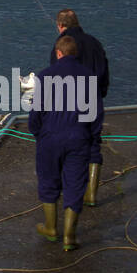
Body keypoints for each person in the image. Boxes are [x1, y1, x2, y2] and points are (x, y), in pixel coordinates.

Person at [29, 34, 104, 251]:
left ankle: (51, 228)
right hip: (78, 137)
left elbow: (37, 112)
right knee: (74, 184)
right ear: (76, 54)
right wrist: (92, 136)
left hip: (50, 137)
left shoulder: (44, 76)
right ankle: (70, 236)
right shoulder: (89, 77)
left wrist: (37, 132)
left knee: (48, 180)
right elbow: (96, 113)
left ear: (58, 53)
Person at [48, 8, 109, 207]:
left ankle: (70, 190)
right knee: (93, 143)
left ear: (60, 25)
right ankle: (91, 194)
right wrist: (100, 94)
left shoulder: (60, 46)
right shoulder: (95, 43)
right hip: (92, 99)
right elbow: (104, 71)